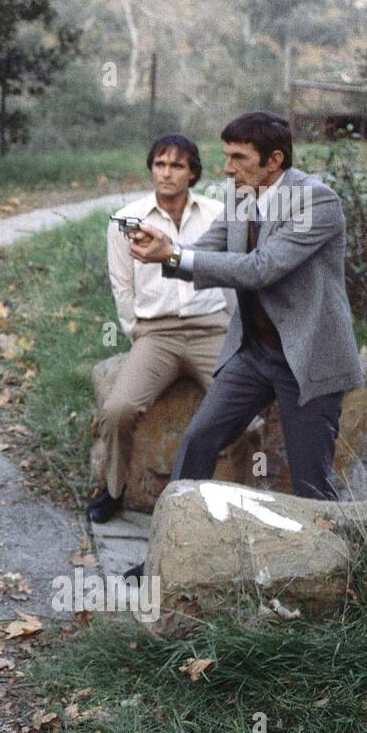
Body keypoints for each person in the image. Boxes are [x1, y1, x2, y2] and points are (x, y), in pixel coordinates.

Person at [130, 111, 364, 506]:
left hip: (307, 359)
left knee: (311, 484)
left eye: (239, 158)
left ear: (274, 160)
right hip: (254, 354)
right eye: (226, 156)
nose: (227, 169)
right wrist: (165, 252)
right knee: (197, 442)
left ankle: (331, 565)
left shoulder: (315, 201)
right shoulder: (241, 195)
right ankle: (167, 552)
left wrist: (174, 255)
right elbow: (208, 248)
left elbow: (262, 268)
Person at [88, 135, 229, 523]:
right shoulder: (127, 219)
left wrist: (233, 329)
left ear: (193, 172)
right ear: (151, 168)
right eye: (160, 164)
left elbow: (234, 273)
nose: (167, 173)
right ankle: (113, 490)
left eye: (178, 165)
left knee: (241, 410)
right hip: (157, 334)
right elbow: (121, 283)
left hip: (211, 329)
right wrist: (138, 331)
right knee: (118, 409)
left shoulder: (218, 214)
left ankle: (228, 503)